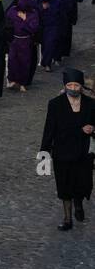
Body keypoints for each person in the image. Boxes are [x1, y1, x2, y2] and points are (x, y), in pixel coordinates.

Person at [41, 69, 95, 231]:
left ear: (81, 86)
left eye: (76, 85)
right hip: (62, 151)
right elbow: (49, 129)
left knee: (82, 183)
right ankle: (67, 219)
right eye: (70, 85)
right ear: (65, 86)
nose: (73, 87)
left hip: (83, 152)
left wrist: (92, 128)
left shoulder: (91, 104)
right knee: (64, 186)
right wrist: (44, 153)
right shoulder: (55, 104)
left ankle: (78, 202)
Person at [6, 0, 41, 92]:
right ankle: (12, 79)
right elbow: (7, 20)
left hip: (26, 41)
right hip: (15, 40)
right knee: (12, 61)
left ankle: (23, 83)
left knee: (24, 62)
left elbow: (34, 28)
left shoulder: (33, 13)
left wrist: (25, 20)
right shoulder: (13, 11)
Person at [37, 0, 61, 72]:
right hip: (41, 26)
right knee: (44, 45)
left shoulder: (57, 1)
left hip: (52, 26)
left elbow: (60, 14)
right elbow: (33, 9)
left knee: (49, 44)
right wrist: (41, 7)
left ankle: (47, 63)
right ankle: (47, 59)